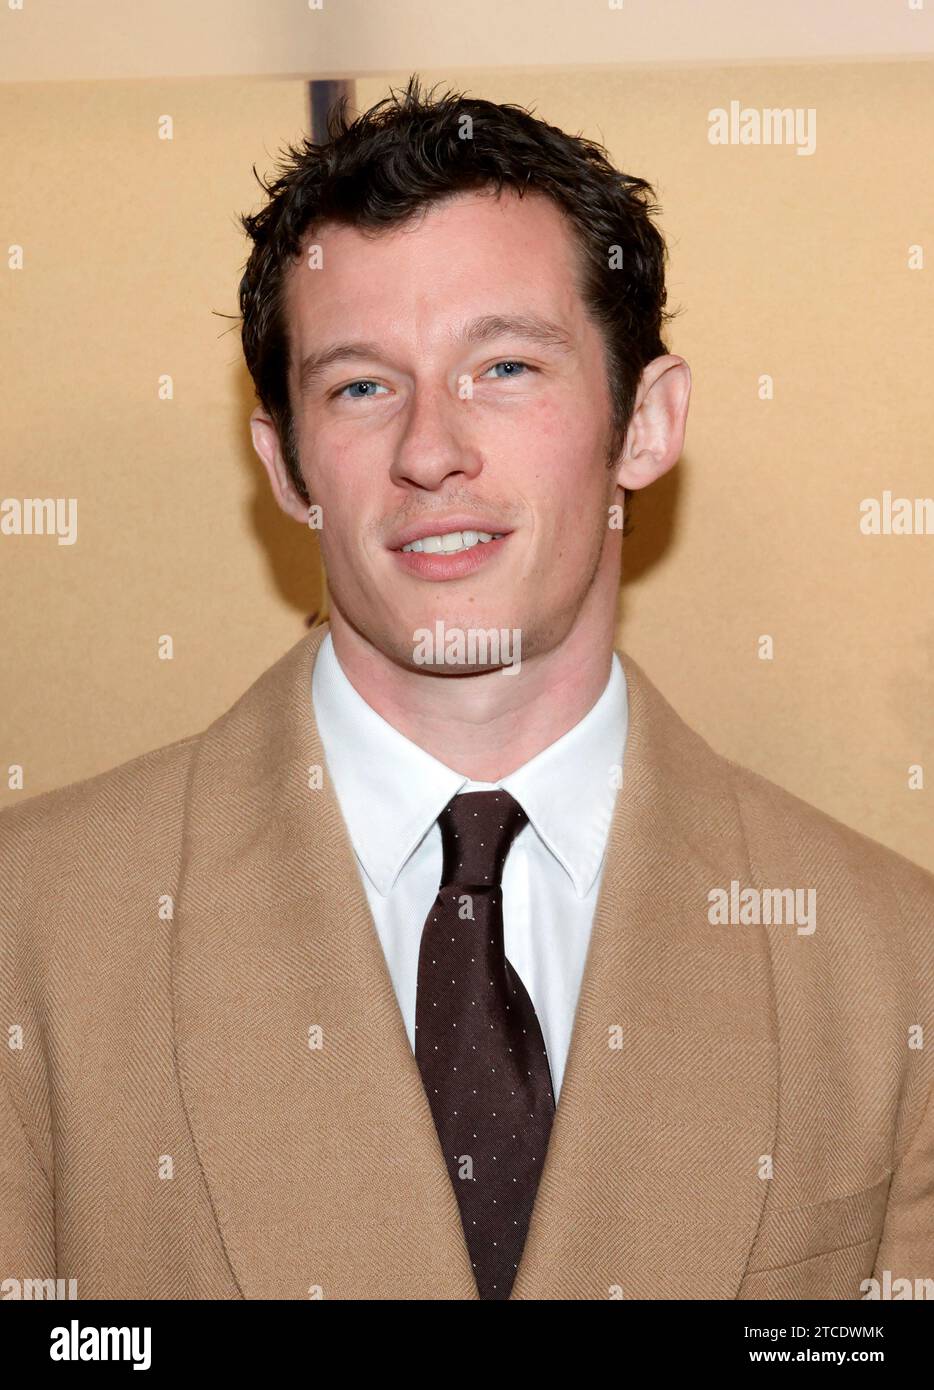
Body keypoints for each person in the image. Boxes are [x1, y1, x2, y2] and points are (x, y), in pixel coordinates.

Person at [1, 76, 931, 1302]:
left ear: (645, 423)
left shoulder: (891, 962)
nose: (431, 449)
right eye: (361, 385)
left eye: (503, 366)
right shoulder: (34, 932)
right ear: (283, 464)